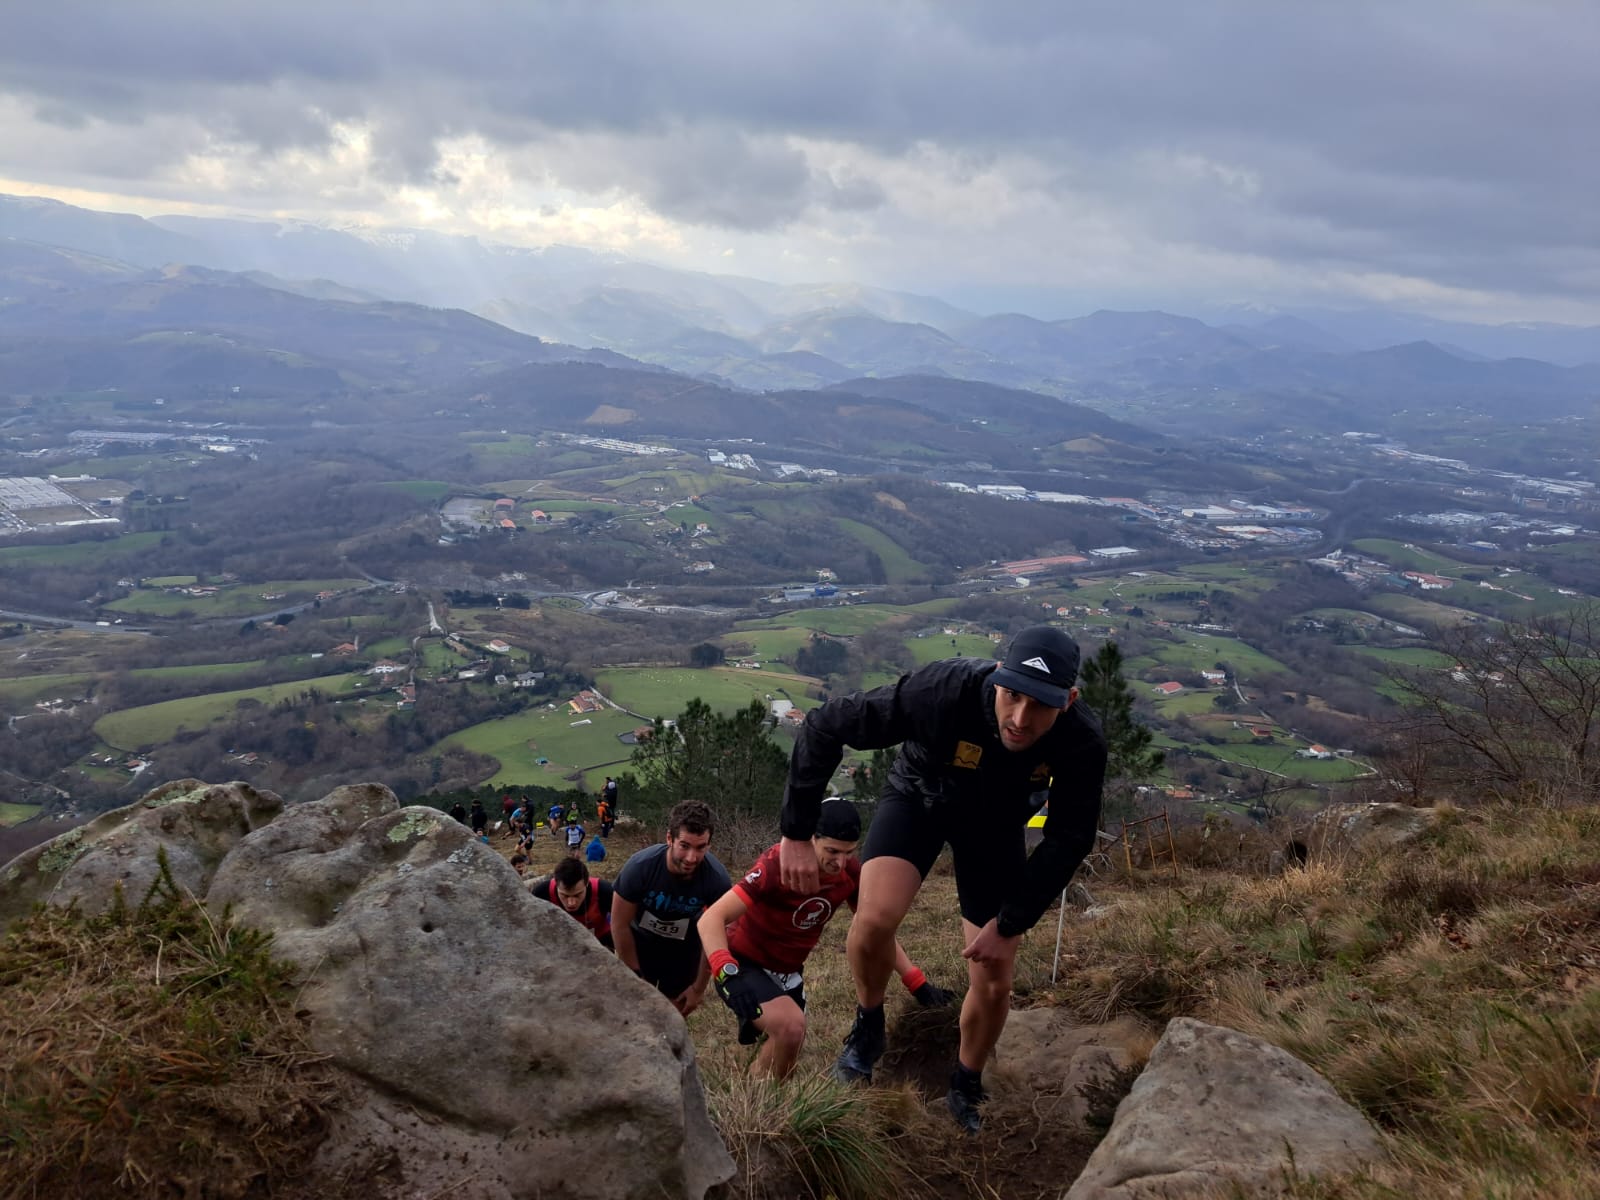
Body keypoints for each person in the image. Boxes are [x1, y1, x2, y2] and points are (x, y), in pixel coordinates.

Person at [777, 625, 1106, 1133]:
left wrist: (1011, 922)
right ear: (998, 676)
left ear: (1069, 699)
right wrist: (797, 834)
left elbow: (1069, 836)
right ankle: (868, 1026)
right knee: (874, 919)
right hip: (919, 798)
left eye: (1040, 705)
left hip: (995, 827)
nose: (1020, 718)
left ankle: (966, 1081)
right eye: (1012, 696)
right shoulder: (941, 691)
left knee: (995, 980)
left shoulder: (1081, 739)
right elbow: (827, 724)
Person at [698, 800, 951, 1080]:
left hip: (788, 972)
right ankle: (754, 1112)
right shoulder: (776, 865)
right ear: (810, 840)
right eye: (831, 851)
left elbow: (877, 934)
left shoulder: (850, 874)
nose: (840, 862)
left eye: (848, 853)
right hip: (743, 964)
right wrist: (726, 971)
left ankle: (762, 1108)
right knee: (791, 1029)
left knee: (787, 1052)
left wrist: (916, 981)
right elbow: (711, 918)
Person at [612, 800, 731, 1015]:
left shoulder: (716, 880)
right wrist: (634, 976)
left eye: (700, 847)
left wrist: (698, 988)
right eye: (684, 846)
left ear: (709, 845)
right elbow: (619, 924)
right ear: (670, 839)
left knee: (672, 1019)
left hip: (685, 952)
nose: (691, 858)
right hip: (641, 944)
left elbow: (716, 939)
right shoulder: (640, 868)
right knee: (635, 1014)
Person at [528, 857, 614, 949]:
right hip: (558, 944)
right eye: (565, 895)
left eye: (577, 895)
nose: (571, 903)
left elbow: (623, 925)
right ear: (556, 885)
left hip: (600, 942)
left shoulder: (604, 892)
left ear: (587, 884)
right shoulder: (541, 893)